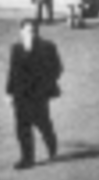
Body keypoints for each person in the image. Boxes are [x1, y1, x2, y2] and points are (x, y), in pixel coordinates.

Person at [5, 16, 63, 169]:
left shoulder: (47, 47)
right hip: (20, 94)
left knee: (43, 123)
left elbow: (57, 69)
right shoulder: (16, 49)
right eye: (28, 31)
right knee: (22, 127)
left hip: (38, 94)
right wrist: (9, 93)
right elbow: (12, 72)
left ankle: (51, 144)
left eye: (34, 31)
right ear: (21, 32)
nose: (31, 34)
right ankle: (27, 158)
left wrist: (45, 83)